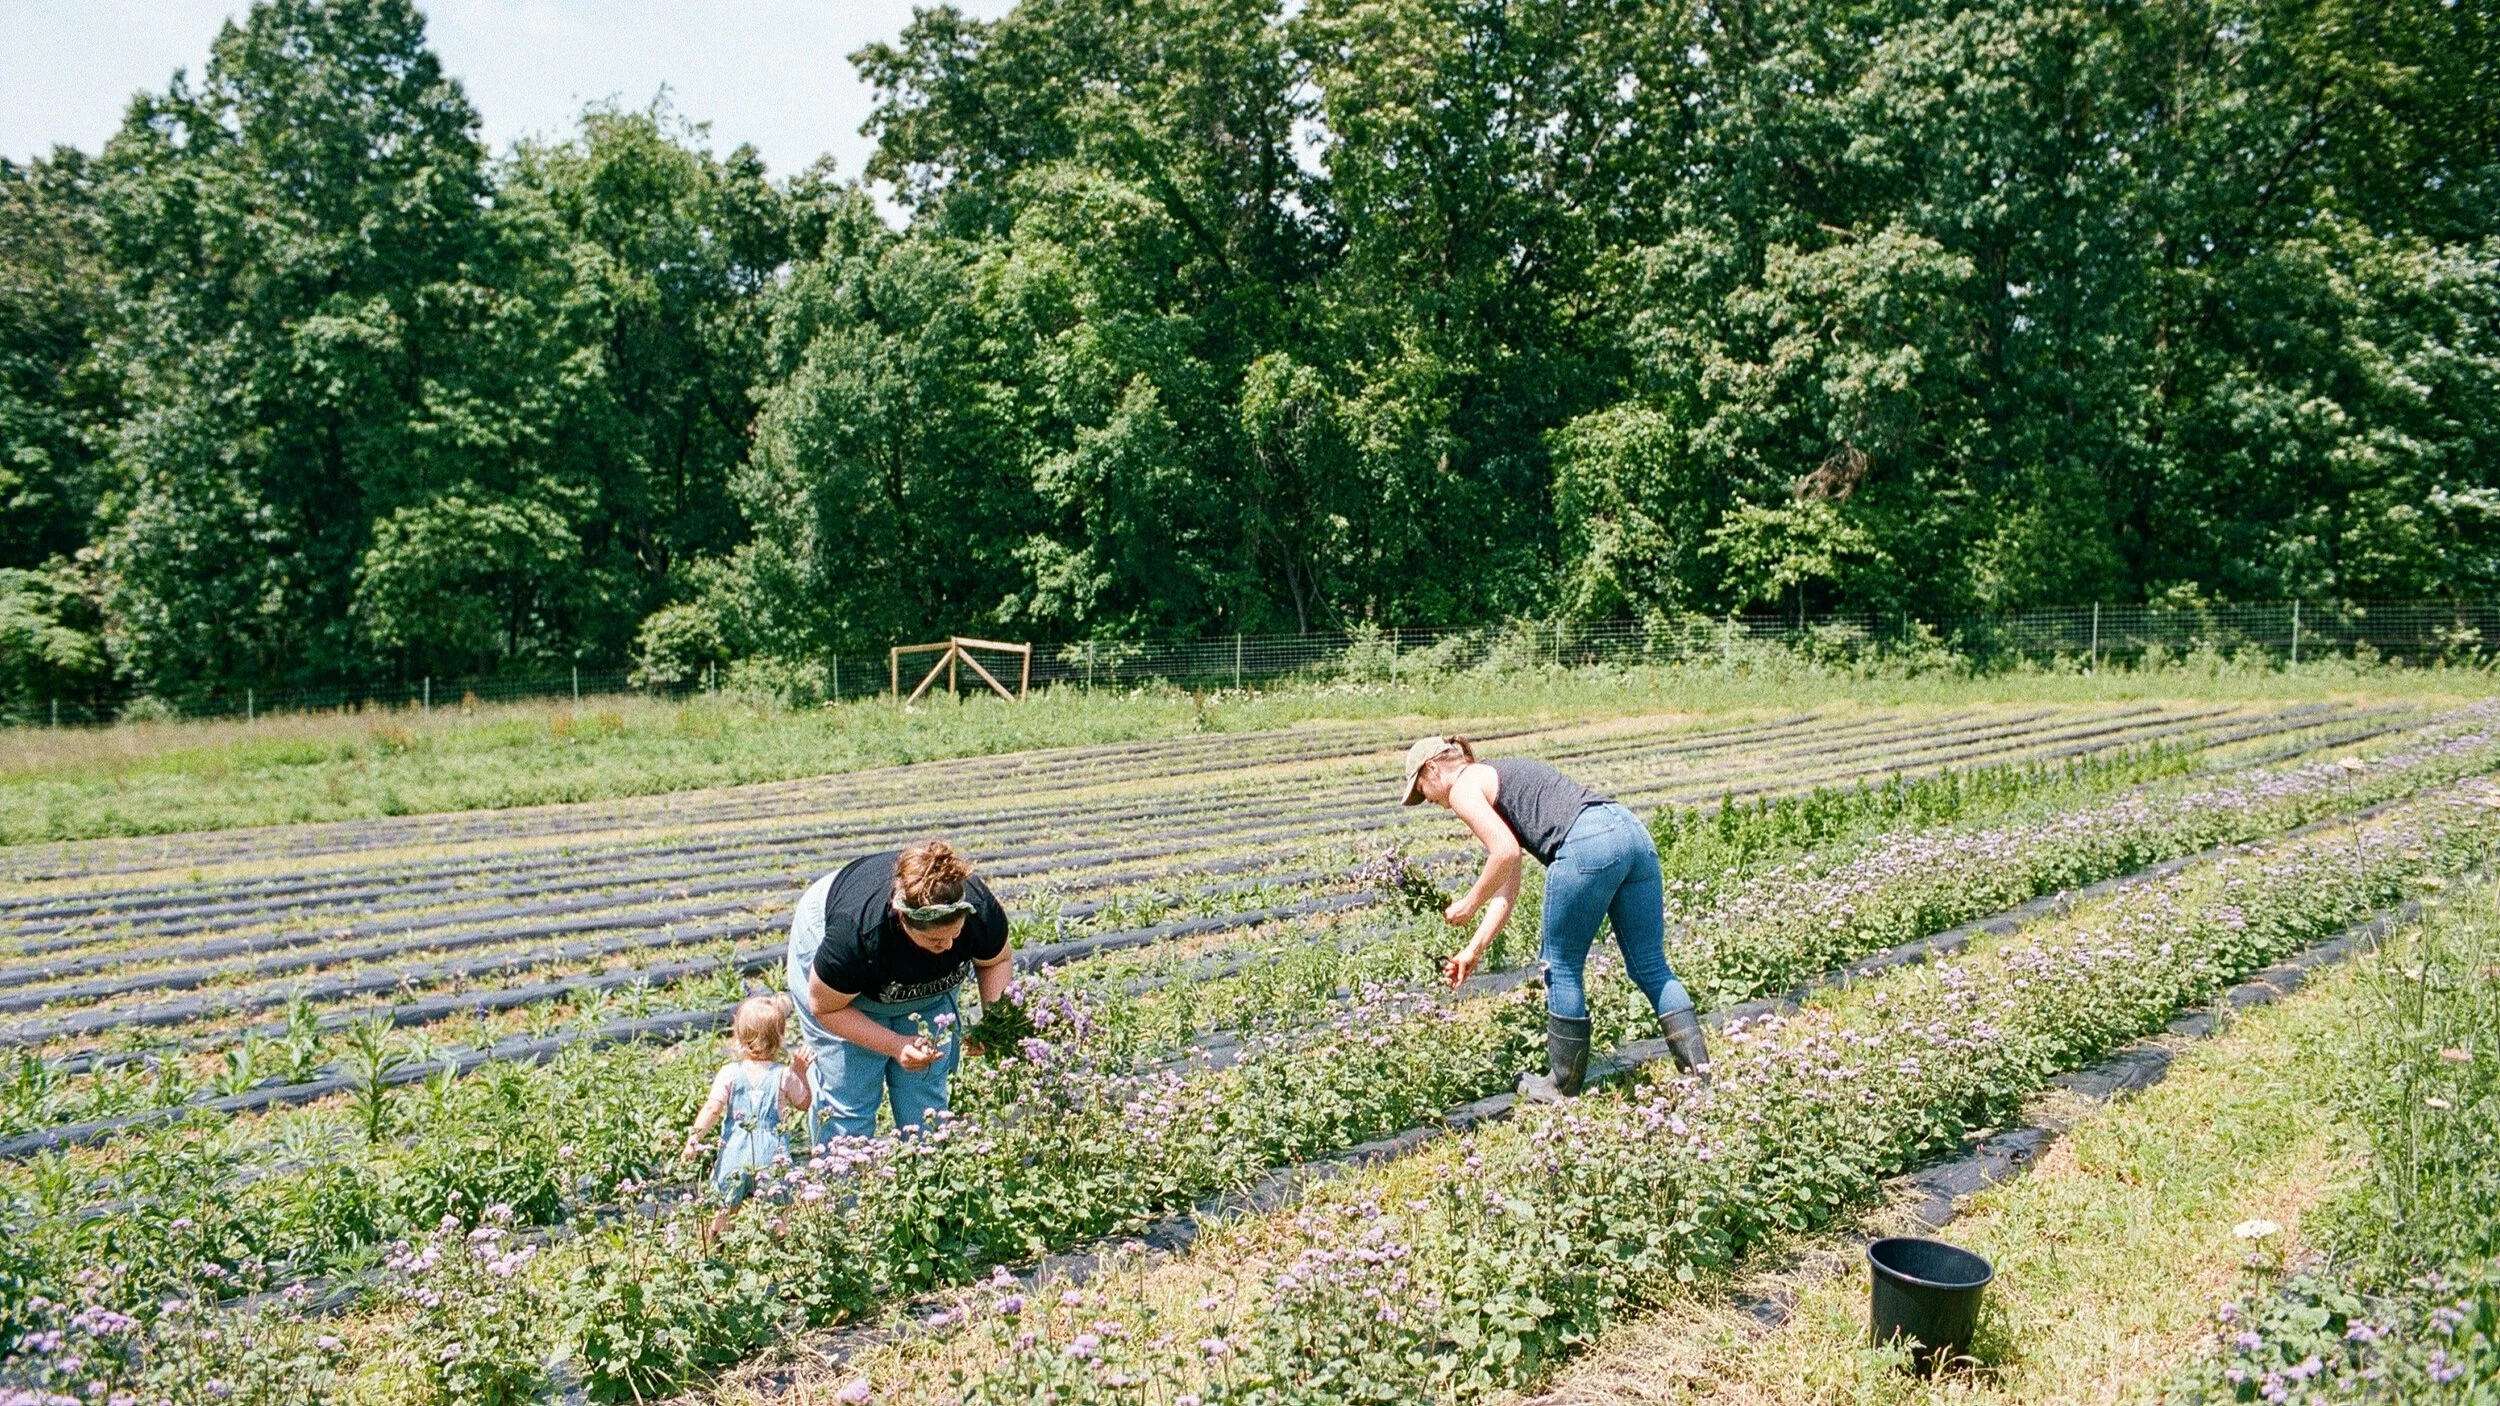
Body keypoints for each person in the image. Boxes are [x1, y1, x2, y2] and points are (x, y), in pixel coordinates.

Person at [1403, 735, 1710, 1100]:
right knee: (1650, 964)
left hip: (1586, 843)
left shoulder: (1464, 787)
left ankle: (1561, 1086)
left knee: (1560, 965)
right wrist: (1475, 947)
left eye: (1423, 790)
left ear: (1433, 768)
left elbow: (1503, 854)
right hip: (1630, 831)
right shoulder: (1496, 776)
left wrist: (1468, 903)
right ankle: (1700, 1076)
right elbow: (1508, 879)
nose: (1432, 801)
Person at [785, 838, 1014, 1140]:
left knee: (925, 1092)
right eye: (935, 941)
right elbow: (827, 1007)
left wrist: (993, 1023)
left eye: (955, 936)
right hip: (840, 994)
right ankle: (843, 1182)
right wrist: (894, 1044)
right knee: (850, 1098)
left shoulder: (977, 908)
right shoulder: (857, 935)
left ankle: (927, 1177)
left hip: (921, 993)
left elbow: (995, 961)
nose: (948, 947)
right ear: (903, 919)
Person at [679, 993, 813, 1242]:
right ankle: (780, 1248)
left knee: (726, 1206)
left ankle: (716, 1247)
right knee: (779, 1209)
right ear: (780, 1036)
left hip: (734, 1153)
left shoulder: (730, 1073)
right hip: (772, 1154)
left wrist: (693, 1140)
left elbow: (712, 1108)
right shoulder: (783, 1075)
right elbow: (804, 1103)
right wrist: (801, 1072)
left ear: (738, 1035)